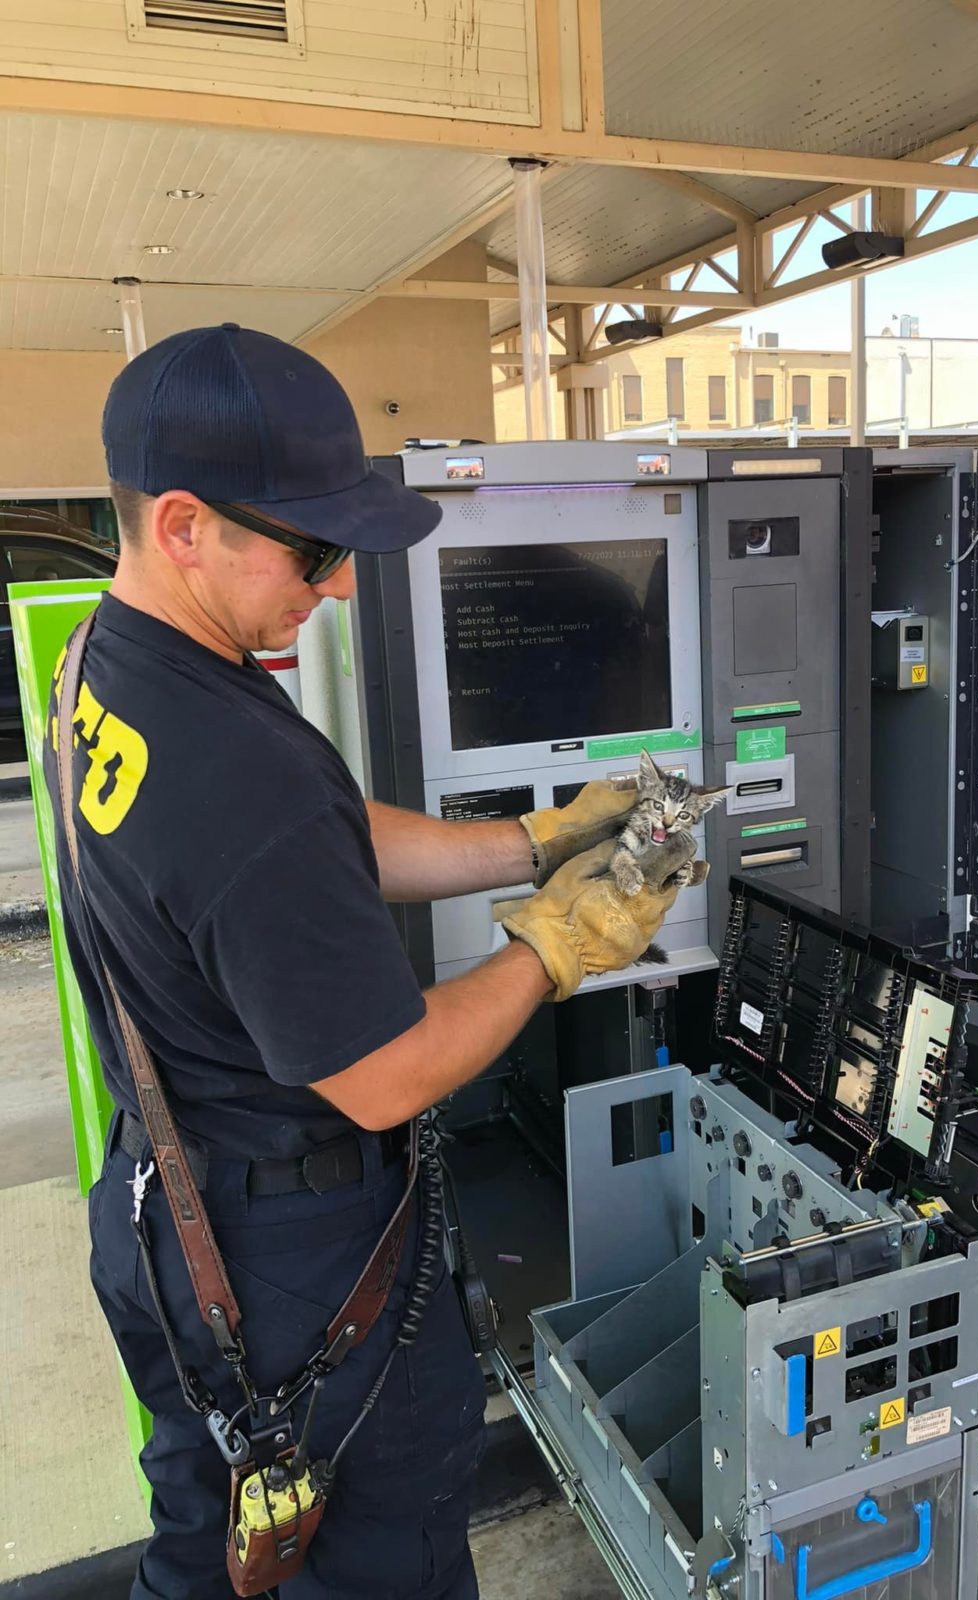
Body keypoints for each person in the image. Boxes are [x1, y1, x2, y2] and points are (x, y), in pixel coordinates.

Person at [45, 324, 684, 1599]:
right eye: (315, 549)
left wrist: (533, 841)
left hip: (168, 1215)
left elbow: (320, 843)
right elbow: (387, 1074)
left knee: (209, 1541)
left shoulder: (112, 664)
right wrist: (560, 941)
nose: (338, 589)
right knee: (377, 1562)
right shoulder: (238, 771)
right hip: (297, 1270)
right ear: (183, 525)